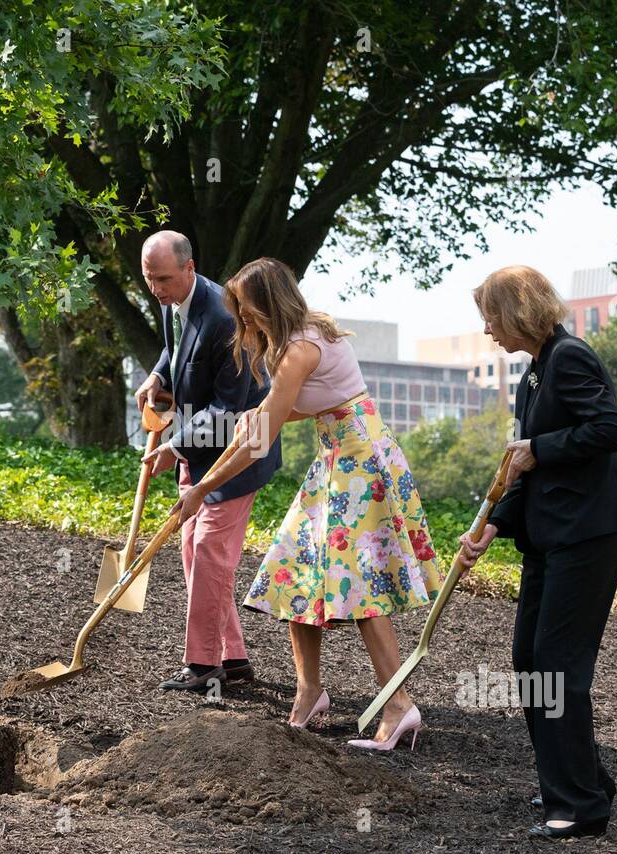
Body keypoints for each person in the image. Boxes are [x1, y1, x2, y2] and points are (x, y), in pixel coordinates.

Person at [170, 257, 443, 749]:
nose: (244, 321)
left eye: (248, 310)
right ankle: (309, 693)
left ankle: (398, 705)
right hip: (341, 454)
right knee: (294, 571)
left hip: (357, 464)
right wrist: (261, 414)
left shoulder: (299, 349)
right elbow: (319, 402)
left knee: (358, 588)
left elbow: (259, 441)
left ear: (270, 303)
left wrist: (202, 489)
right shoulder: (312, 330)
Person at [457, 265, 617, 840]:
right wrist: (494, 524)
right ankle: (576, 779)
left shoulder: (570, 357)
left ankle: (580, 807)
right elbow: (524, 466)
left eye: (490, 315)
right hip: (546, 535)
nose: (487, 329)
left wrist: (542, 445)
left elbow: (612, 428)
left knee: (559, 667)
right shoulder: (534, 373)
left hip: (588, 535)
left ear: (516, 310)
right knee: (529, 661)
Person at [135, 231, 282, 693]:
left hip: (238, 451)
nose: (156, 289)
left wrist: (174, 447)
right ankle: (232, 657)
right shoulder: (170, 299)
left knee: (209, 553)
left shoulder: (224, 317)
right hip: (197, 448)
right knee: (192, 548)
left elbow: (230, 407)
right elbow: (175, 349)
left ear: (189, 267)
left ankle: (202, 666)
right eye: (148, 279)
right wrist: (158, 375)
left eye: (162, 279)